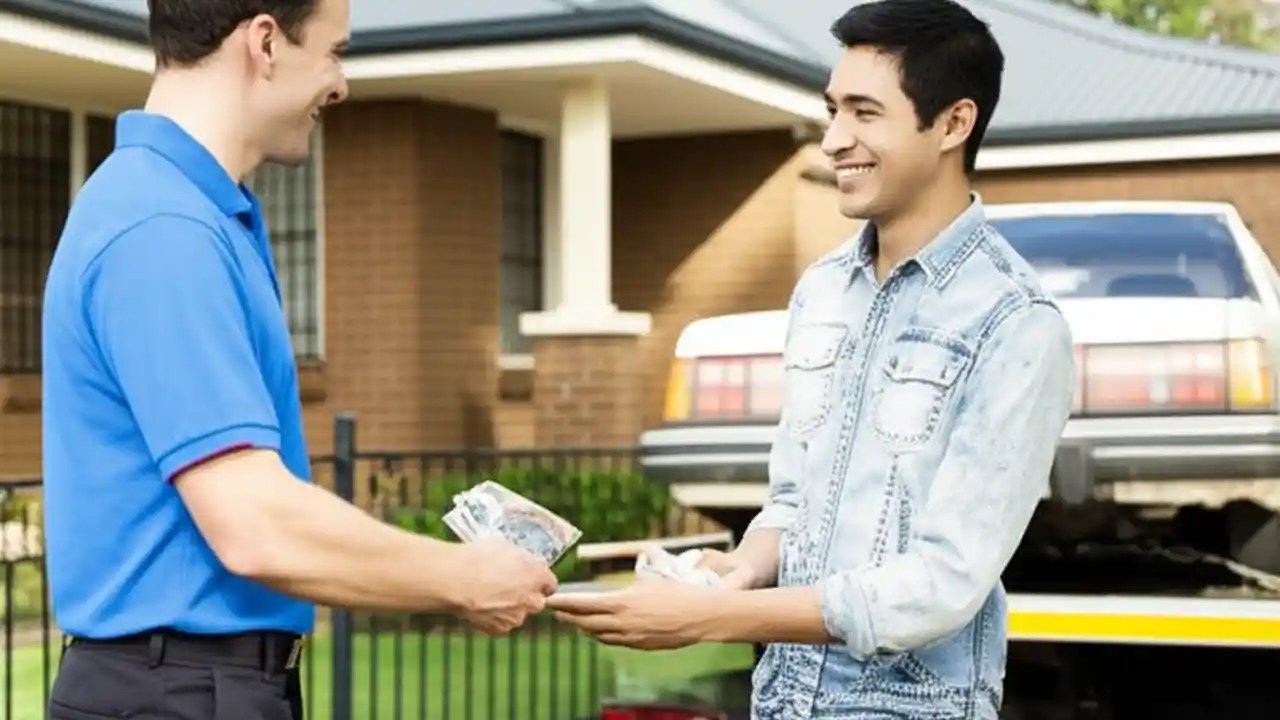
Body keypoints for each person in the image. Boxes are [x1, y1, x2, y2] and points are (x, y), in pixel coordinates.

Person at [548, 1, 1075, 717]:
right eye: (832, 110)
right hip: (785, 698)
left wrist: (714, 621)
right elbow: (796, 499)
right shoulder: (823, 291)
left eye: (864, 113)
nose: (832, 140)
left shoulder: (1016, 324)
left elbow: (942, 585)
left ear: (954, 123)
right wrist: (740, 569)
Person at [40, 1, 556, 717]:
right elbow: (254, 522)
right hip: (177, 691)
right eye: (334, 52)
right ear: (265, 42)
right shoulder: (163, 229)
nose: (340, 84)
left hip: (196, 684)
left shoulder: (197, 213)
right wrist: (460, 575)